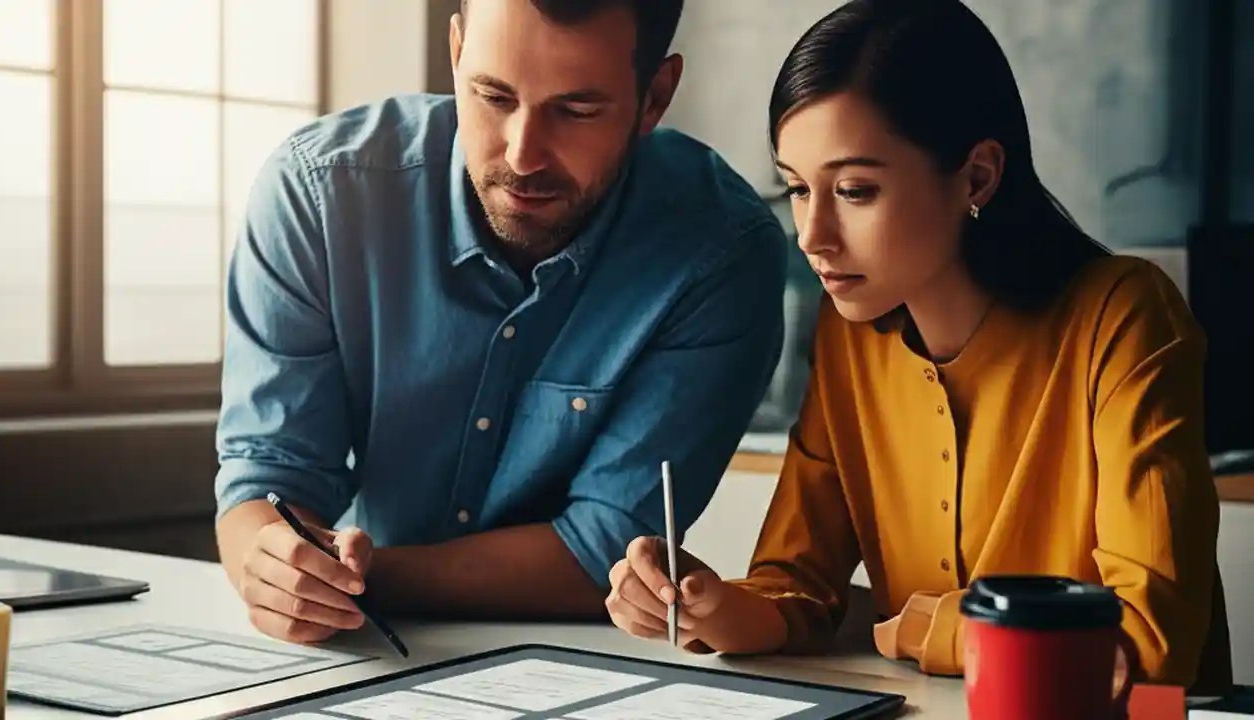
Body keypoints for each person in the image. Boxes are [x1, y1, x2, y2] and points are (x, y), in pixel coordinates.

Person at [606, 0, 1230, 692]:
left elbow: (1148, 643)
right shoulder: (850, 336)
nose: (812, 235)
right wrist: (711, 606)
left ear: (977, 177)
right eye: (797, 189)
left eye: (853, 190)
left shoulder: (1123, 317)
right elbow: (797, 588)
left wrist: (924, 627)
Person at [215, 0, 787, 644]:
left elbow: (608, 547)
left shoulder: (722, 251)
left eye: (576, 110)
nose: (522, 155)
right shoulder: (318, 192)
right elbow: (269, 474)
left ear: (654, 97)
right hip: (351, 649)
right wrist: (267, 565)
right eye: (492, 95)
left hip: (572, 662)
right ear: (456, 53)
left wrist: (353, 581)